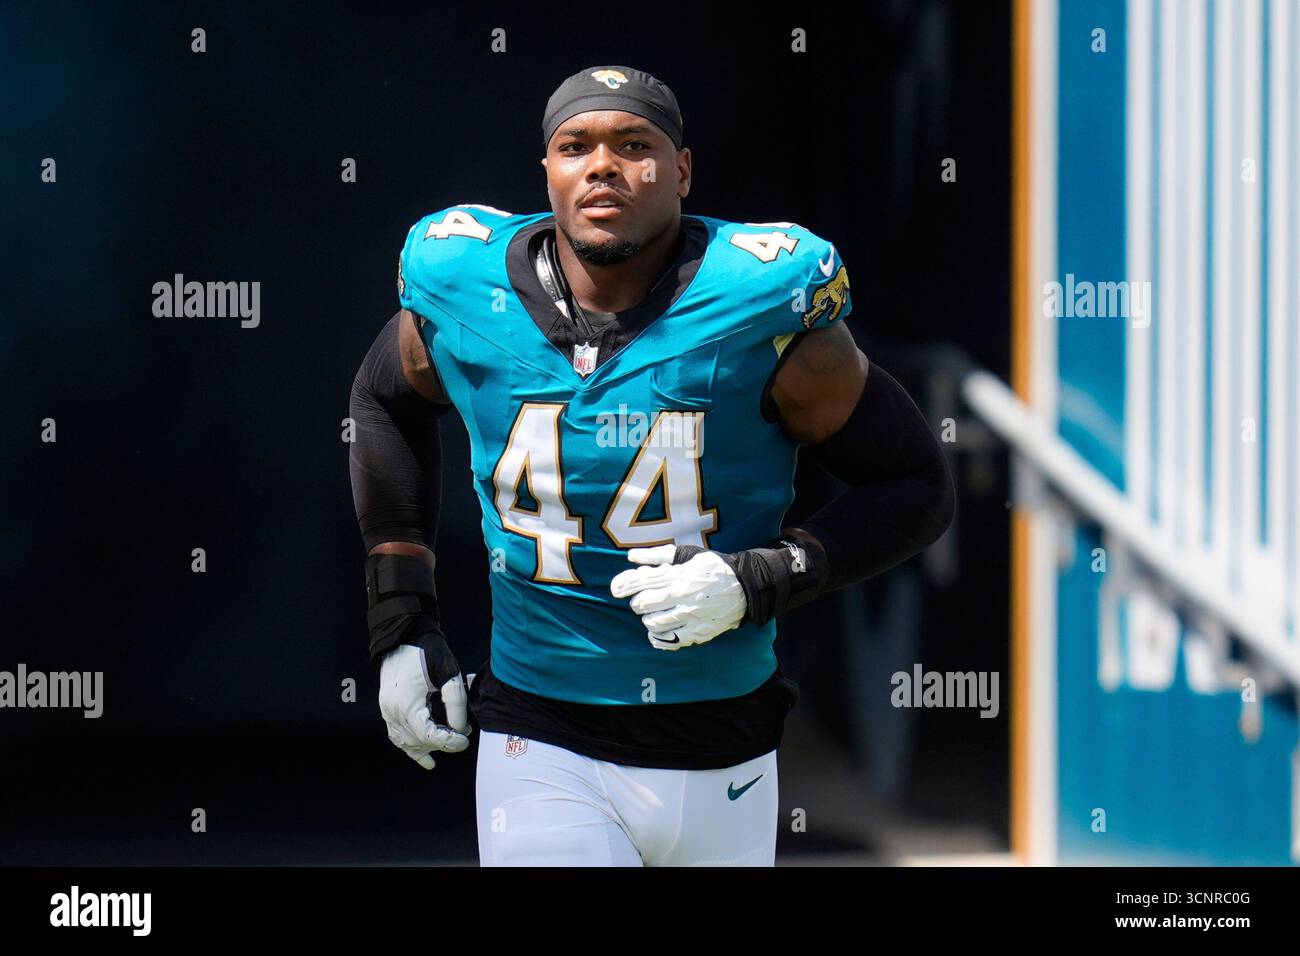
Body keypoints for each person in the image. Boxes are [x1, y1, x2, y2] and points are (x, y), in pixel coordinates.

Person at [348, 65, 954, 866]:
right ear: (547, 171)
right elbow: (383, 401)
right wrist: (400, 616)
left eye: (634, 145)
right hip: (541, 735)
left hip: (726, 740)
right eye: (576, 147)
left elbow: (915, 485)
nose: (602, 165)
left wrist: (763, 576)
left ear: (682, 171)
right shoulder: (466, 285)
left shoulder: (755, 301)